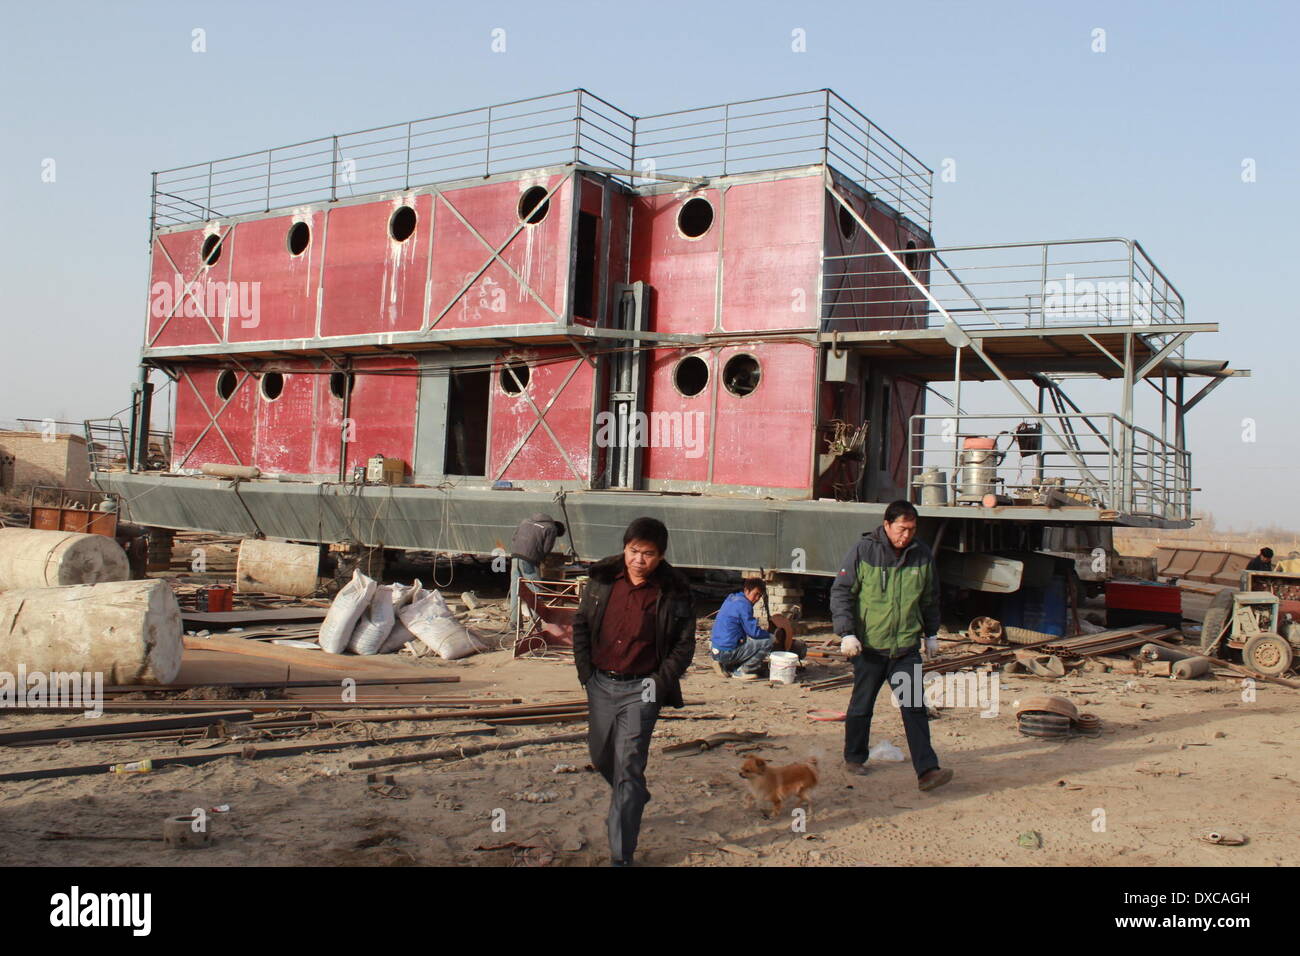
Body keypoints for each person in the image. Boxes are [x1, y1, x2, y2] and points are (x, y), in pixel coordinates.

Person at [572, 517, 696, 866]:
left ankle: (620, 855)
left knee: (628, 767)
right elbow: (581, 624)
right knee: (600, 757)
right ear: (624, 549)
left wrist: (658, 683)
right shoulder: (601, 581)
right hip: (600, 682)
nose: (638, 560)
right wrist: (586, 672)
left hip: (642, 689)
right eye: (633, 551)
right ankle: (635, 796)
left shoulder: (674, 591)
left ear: (661, 556)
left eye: (648, 553)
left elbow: (684, 646)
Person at [830, 499, 952, 792]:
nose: (906, 535)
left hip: (905, 650)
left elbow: (930, 598)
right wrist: (846, 633)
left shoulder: (921, 555)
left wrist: (931, 633)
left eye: (911, 529)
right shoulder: (864, 550)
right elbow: (841, 592)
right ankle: (854, 757)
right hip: (870, 647)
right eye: (901, 528)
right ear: (887, 525)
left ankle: (927, 771)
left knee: (914, 708)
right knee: (861, 707)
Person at [709, 578, 775, 681]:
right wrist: (770, 635)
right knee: (767, 642)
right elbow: (754, 633)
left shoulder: (732, 598)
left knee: (744, 641)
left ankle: (725, 665)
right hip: (727, 651)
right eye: (756, 594)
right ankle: (743, 671)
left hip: (715, 649)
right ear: (746, 590)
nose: (757, 598)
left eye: (760, 596)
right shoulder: (744, 605)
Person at [508, 513, 565, 625]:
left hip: (515, 556)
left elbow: (514, 538)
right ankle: (534, 625)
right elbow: (547, 548)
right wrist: (542, 560)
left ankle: (514, 623)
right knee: (536, 592)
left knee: (515, 590)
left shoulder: (525, 521)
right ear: (557, 530)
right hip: (529, 560)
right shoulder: (551, 528)